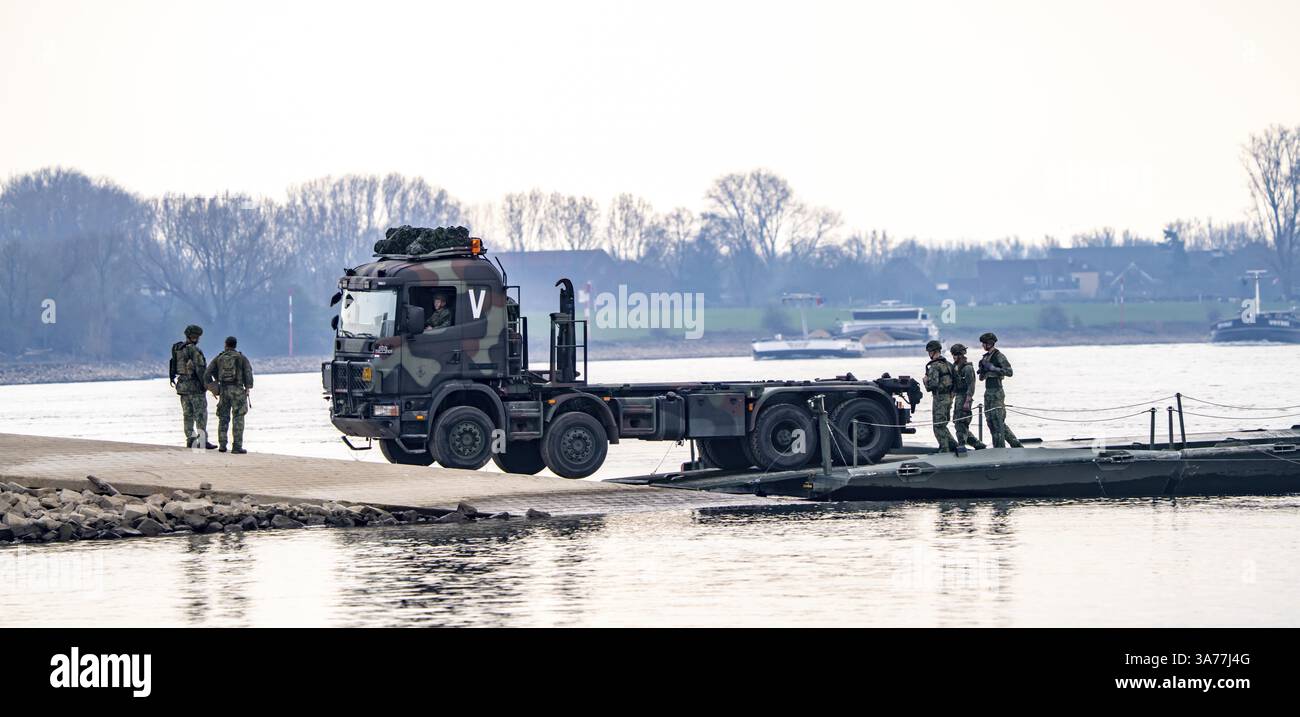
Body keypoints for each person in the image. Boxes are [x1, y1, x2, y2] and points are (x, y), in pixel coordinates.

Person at [204, 336, 254, 454]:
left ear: (225, 344)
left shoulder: (219, 358)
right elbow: (248, 373)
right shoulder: (241, 358)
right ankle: (237, 447)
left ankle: (222, 445)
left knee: (223, 418)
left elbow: (207, 373)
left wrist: (213, 387)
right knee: (238, 418)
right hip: (238, 390)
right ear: (235, 345)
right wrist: (248, 388)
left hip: (224, 390)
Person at [171, 325, 215, 449]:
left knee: (187, 414)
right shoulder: (194, 350)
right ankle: (201, 441)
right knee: (200, 414)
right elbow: (201, 370)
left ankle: (190, 440)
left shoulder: (178, 348)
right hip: (195, 388)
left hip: (183, 387)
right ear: (195, 336)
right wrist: (207, 385)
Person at [978, 332, 1022, 448]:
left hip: (997, 391)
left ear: (990, 343)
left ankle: (1007, 446)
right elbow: (981, 378)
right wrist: (982, 369)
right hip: (988, 392)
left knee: (998, 421)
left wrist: (994, 368)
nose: (983, 345)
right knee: (990, 421)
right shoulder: (986, 357)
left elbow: (1009, 372)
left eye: (984, 343)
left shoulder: (999, 356)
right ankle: (1000, 446)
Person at [923, 339, 959, 454]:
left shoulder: (934, 366)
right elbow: (956, 381)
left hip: (939, 398)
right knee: (943, 424)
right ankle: (953, 445)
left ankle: (944, 449)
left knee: (938, 426)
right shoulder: (948, 364)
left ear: (932, 352)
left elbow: (932, 385)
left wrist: (925, 382)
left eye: (929, 352)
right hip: (949, 397)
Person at [949, 343, 986, 450]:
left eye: (955, 354)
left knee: (962, 422)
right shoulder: (955, 367)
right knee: (957, 421)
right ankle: (977, 444)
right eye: (953, 355)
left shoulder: (968, 368)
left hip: (965, 397)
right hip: (958, 397)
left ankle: (961, 444)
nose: (954, 357)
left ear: (961, 355)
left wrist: (968, 401)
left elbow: (971, 385)